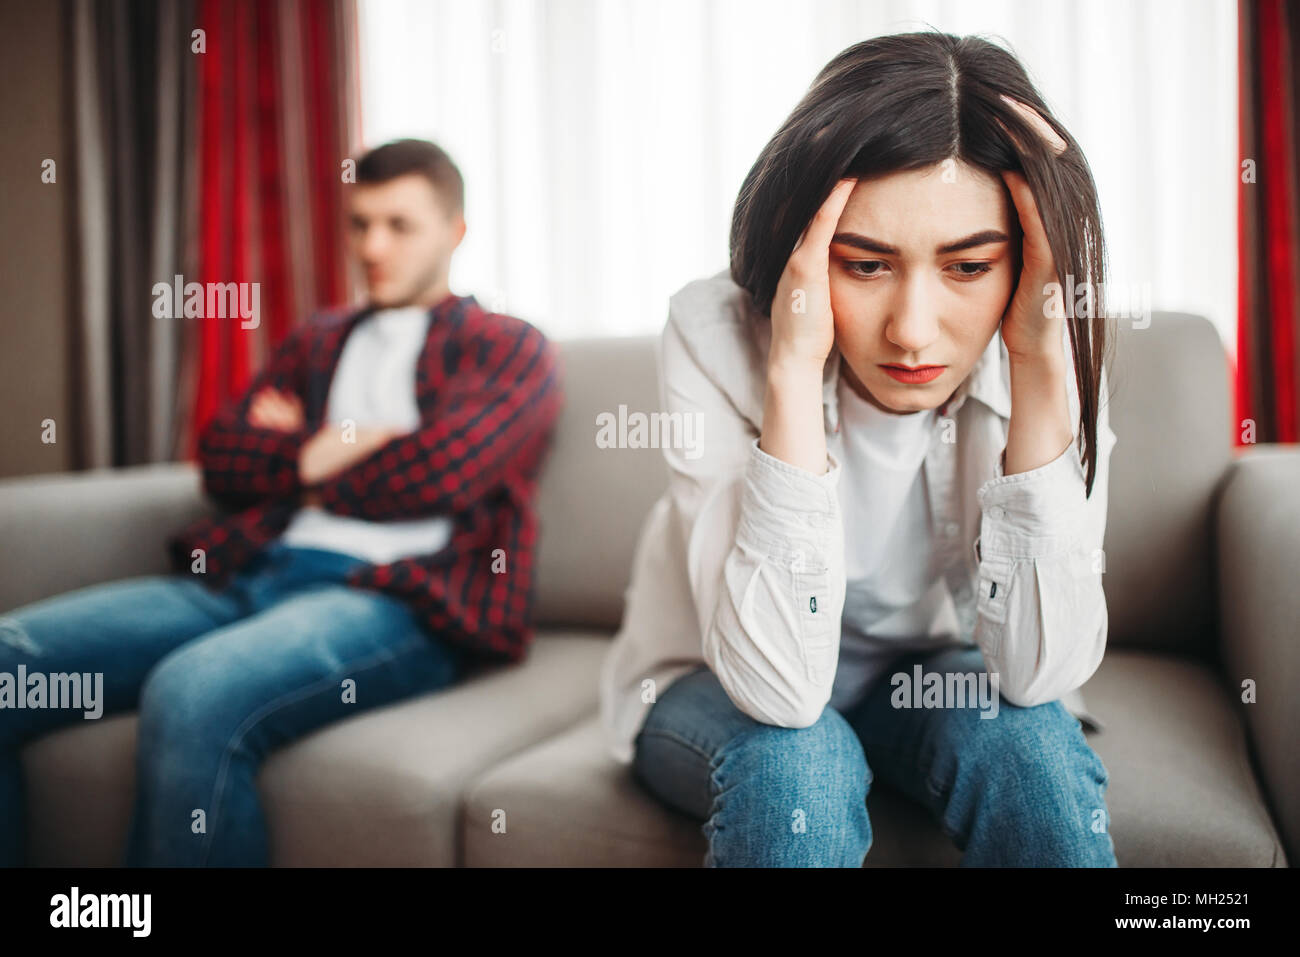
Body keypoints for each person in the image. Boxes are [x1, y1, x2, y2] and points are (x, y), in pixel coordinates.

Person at [598, 31, 1119, 867]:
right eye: (866, 265)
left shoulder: (1050, 339)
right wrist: (795, 368)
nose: (914, 331)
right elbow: (778, 691)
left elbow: (1036, 673)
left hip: (929, 677)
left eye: (969, 265)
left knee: (1031, 753)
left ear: (1025, 262)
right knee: (795, 762)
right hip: (718, 676)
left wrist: (1041, 366)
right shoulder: (711, 331)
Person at [0, 138, 562, 866]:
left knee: (194, 690)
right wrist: (325, 450)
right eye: (360, 224)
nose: (372, 245)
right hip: (247, 576)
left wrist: (302, 453)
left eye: (399, 225)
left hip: (393, 600)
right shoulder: (319, 340)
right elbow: (221, 459)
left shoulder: (509, 346)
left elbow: (439, 476)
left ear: (455, 231)